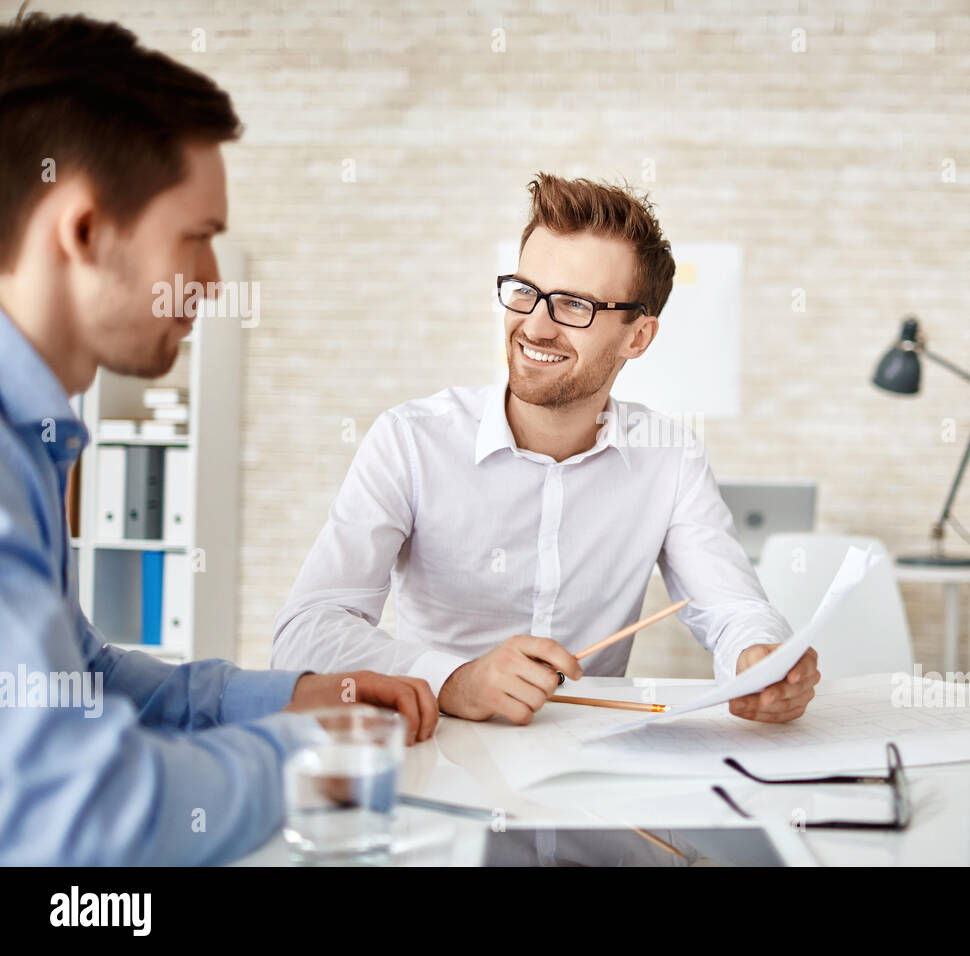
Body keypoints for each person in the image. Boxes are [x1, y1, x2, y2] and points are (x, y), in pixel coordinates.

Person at [0, 11, 437, 866]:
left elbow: (81, 675)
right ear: (82, 230)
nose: (210, 282)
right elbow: (80, 817)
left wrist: (293, 698)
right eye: (197, 239)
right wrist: (313, 755)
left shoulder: (34, 439)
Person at [272, 173, 820, 726]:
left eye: (575, 305)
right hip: (440, 757)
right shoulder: (411, 441)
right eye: (526, 292)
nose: (535, 326)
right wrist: (453, 681)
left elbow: (731, 608)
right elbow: (306, 633)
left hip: (590, 770)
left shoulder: (670, 458)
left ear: (638, 337)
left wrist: (759, 656)